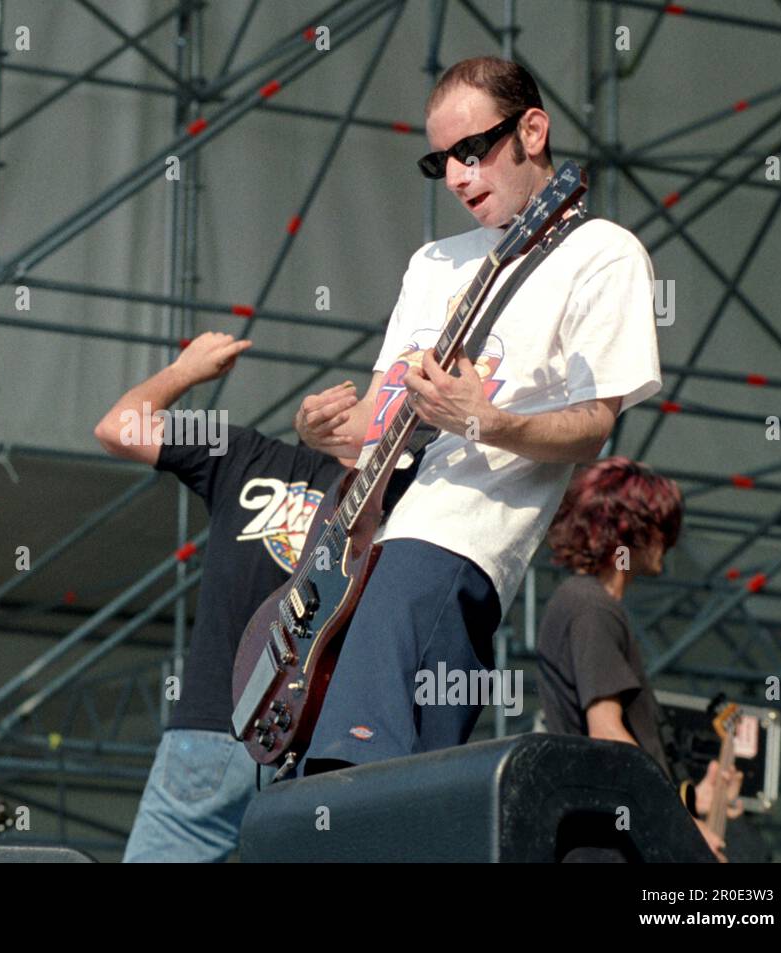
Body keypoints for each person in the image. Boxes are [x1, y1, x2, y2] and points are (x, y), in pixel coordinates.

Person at [293, 56, 661, 775]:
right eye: (442, 161)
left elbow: (593, 426)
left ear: (533, 129)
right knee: (379, 781)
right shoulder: (433, 261)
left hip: (460, 540)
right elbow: (375, 419)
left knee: (356, 770)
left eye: (473, 150)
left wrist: (483, 420)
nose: (459, 176)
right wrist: (325, 429)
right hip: (367, 544)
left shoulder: (602, 253)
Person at [93, 332, 350, 861]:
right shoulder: (246, 451)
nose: (340, 400)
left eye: (362, 394)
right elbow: (118, 428)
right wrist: (184, 371)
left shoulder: (402, 489)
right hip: (232, 731)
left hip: (310, 740)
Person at [537, 456, 743, 861]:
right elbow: (608, 733)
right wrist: (685, 828)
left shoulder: (586, 604)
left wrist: (696, 798)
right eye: (661, 527)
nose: (669, 540)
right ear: (631, 529)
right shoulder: (591, 606)